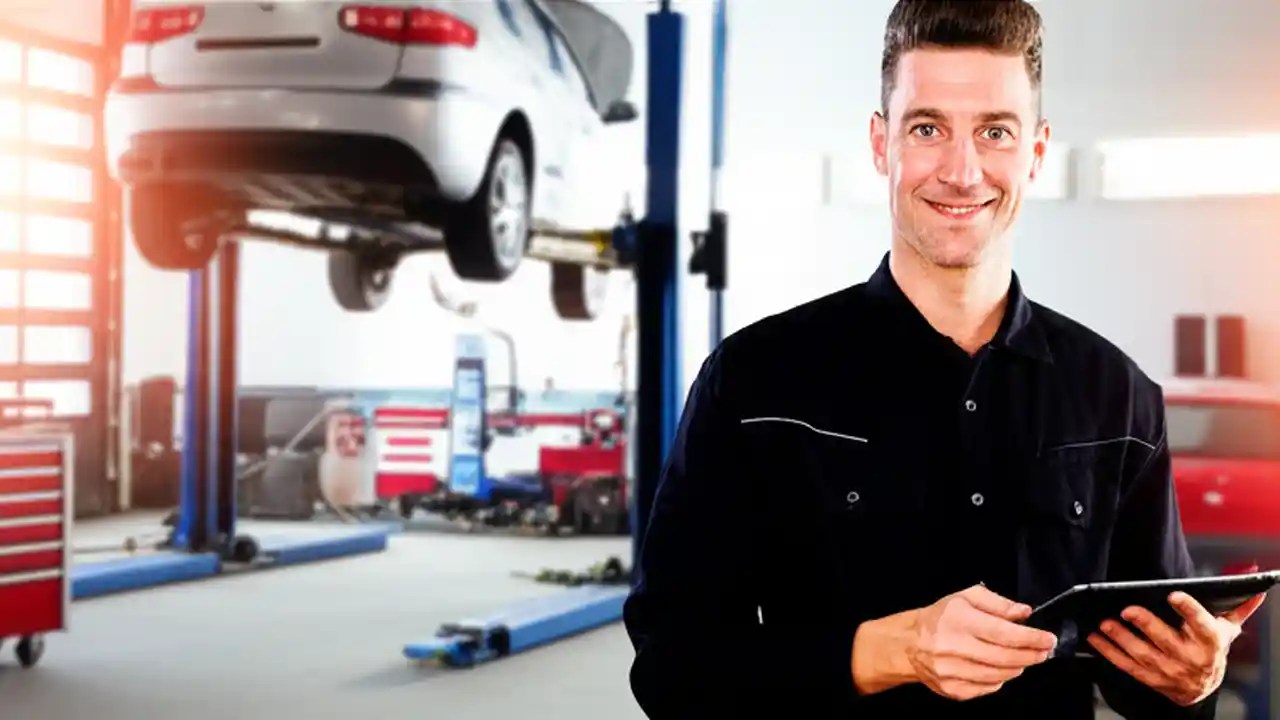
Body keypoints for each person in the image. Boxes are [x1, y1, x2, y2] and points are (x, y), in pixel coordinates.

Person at [622, 1, 1266, 718]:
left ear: (1037, 151)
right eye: (928, 129)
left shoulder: (1118, 398)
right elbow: (673, 666)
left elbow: (1140, 679)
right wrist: (890, 651)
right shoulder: (755, 383)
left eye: (995, 132)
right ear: (880, 143)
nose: (962, 172)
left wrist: (1189, 681)